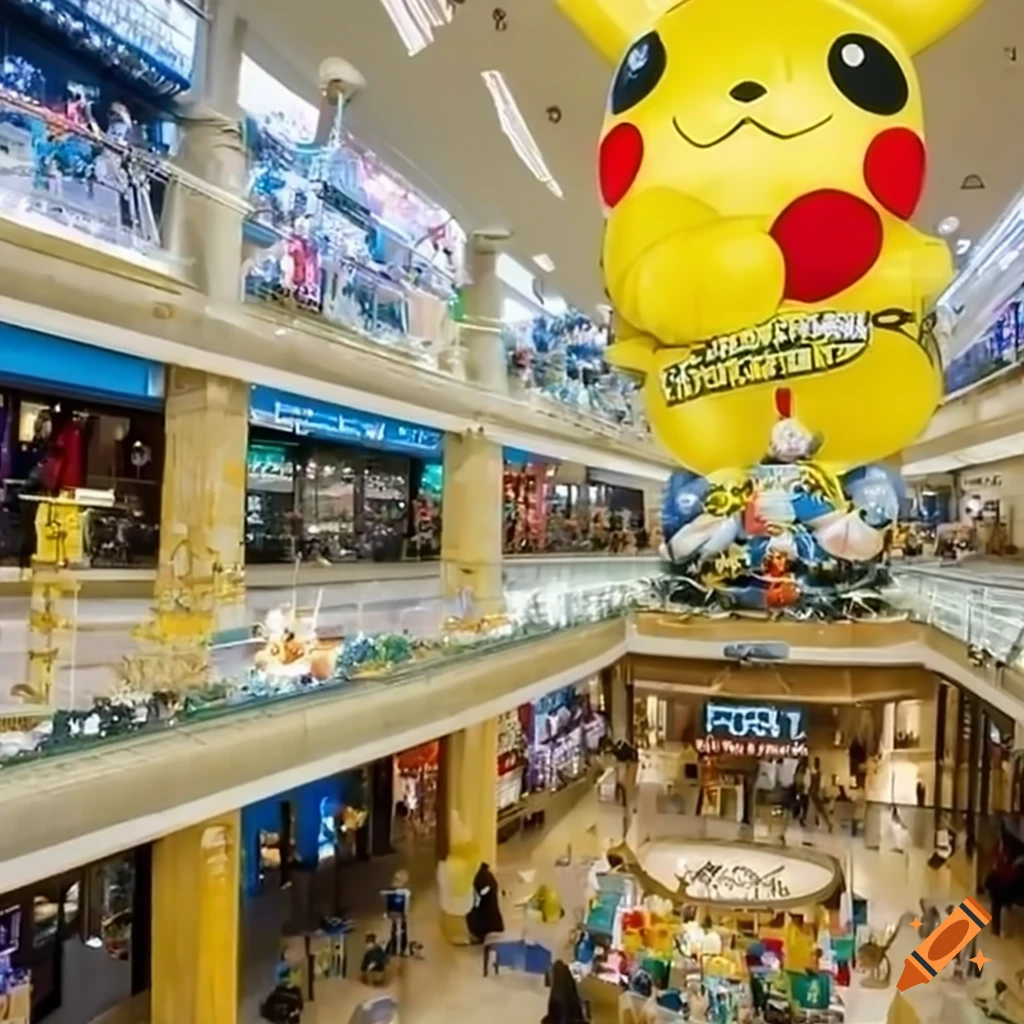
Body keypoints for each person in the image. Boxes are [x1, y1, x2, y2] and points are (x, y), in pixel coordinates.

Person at [467, 862, 505, 942]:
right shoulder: (486, 874)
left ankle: (480, 935)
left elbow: (481, 893)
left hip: (483, 920)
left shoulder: (480, 877)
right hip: (492, 917)